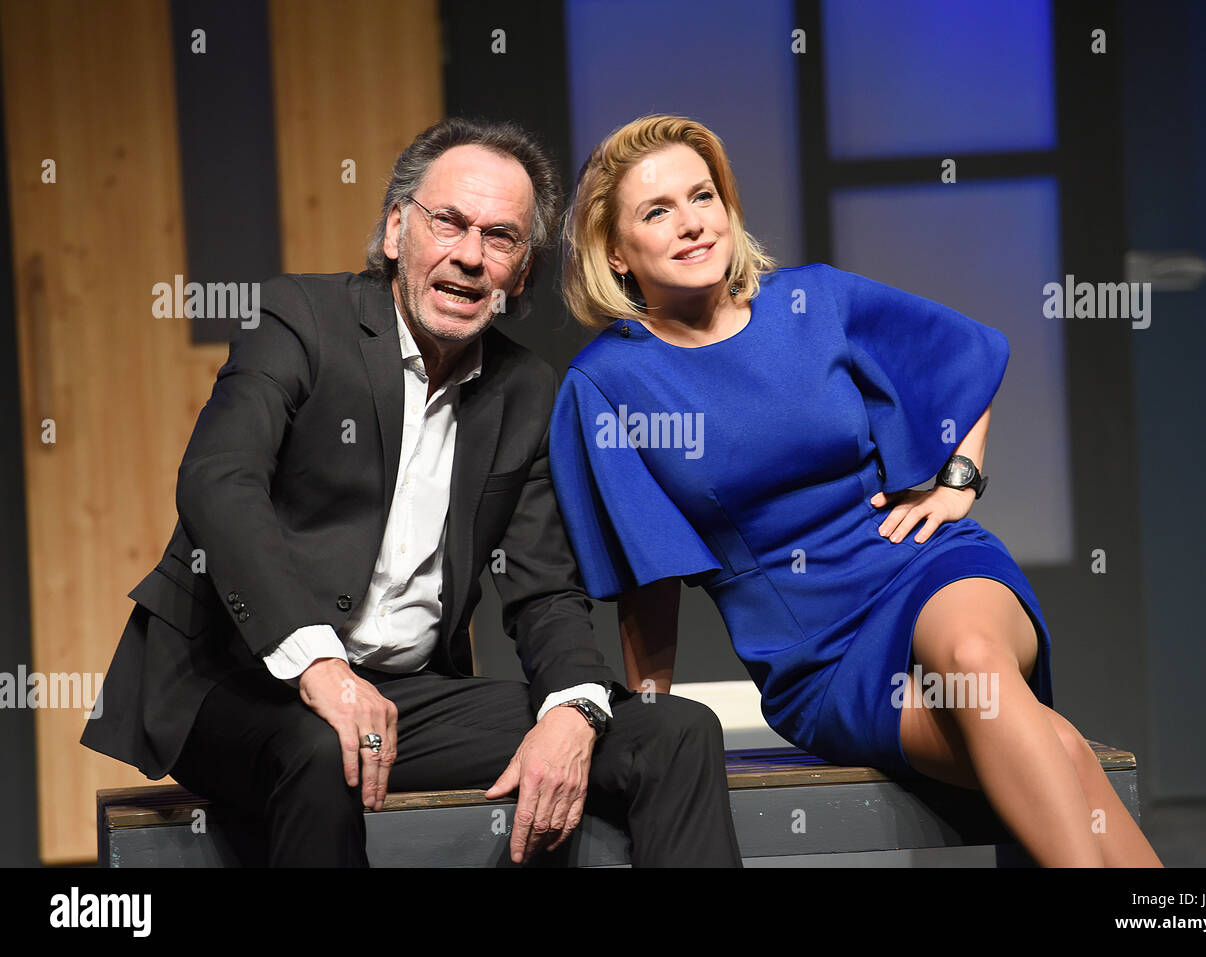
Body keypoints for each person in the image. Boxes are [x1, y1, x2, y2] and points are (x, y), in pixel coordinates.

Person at [81, 117, 741, 868]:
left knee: (675, 731)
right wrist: (320, 668)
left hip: (404, 698)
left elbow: (544, 591)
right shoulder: (302, 320)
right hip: (233, 679)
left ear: (521, 272)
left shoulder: (525, 390)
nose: (469, 256)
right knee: (322, 745)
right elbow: (217, 482)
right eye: (448, 223)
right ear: (397, 229)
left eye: (501, 237)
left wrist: (573, 707)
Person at [549, 114, 1162, 867]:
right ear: (614, 250)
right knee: (1058, 746)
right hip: (819, 657)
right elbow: (649, 582)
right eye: (657, 210)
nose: (691, 224)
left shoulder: (815, 302)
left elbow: (967, 356)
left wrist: (959, 479)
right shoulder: (607, 383)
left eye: (702, 196)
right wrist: (652, 724)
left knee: (974, 658)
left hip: (926, 571)